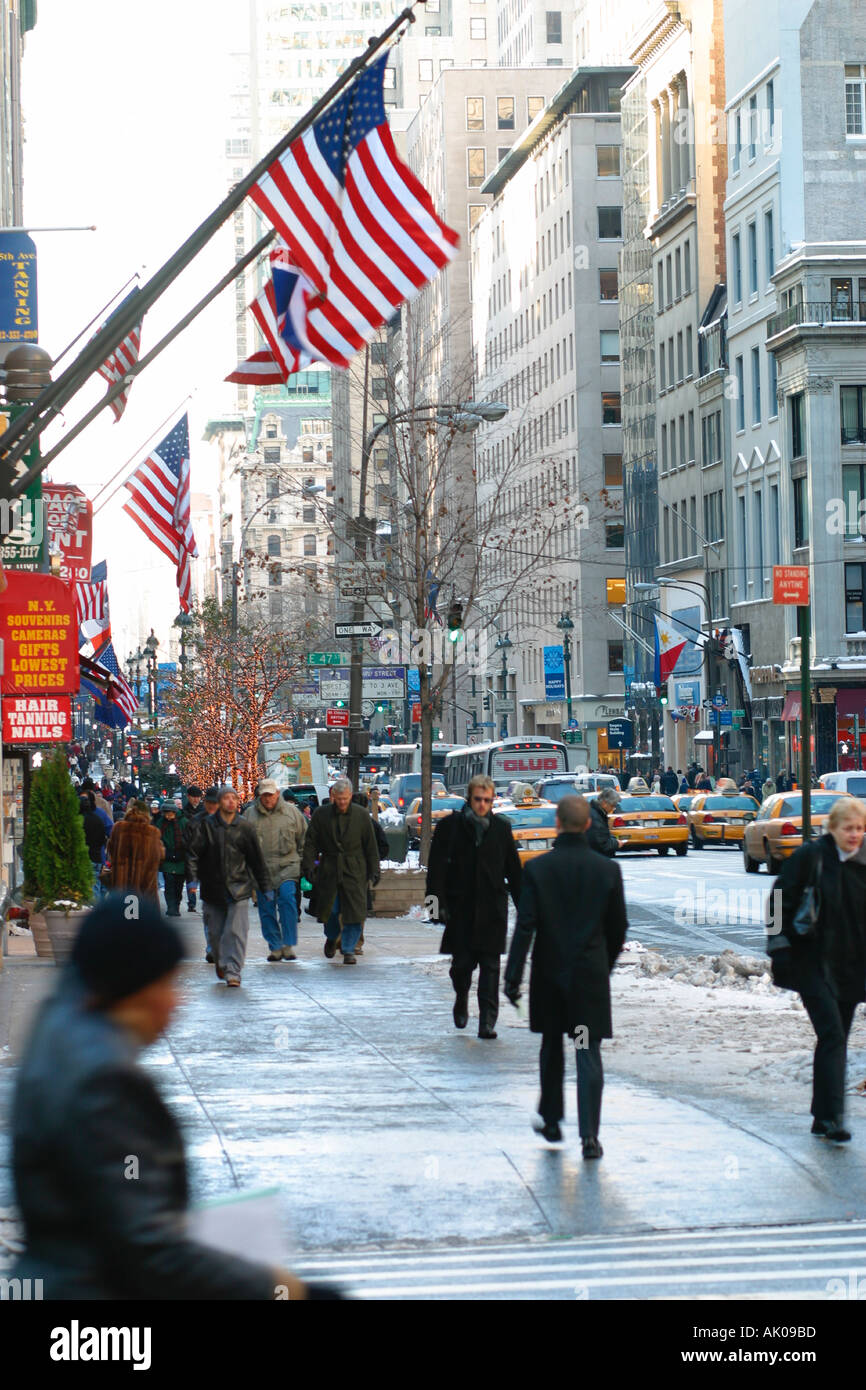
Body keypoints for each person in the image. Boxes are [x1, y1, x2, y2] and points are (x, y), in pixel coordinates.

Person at [9, 892, 339, 1300]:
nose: (175, 1002)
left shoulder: (59, 1027)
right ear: (135, 988)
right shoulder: (106, 1081)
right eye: (168, 983)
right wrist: (286, 1290)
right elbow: (150, 1251)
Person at [504, 795, 628, 1159]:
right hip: (589, 979)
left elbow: (525, 927)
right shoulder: (607, 871)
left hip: (549, 976)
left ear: (557, 824)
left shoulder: (539, 870)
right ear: (588, 824)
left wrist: (513, 977)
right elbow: (619, 926)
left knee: (552, 1048)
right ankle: (590, 1136)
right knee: (588, 1051)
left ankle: (553, 1118)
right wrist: (603, 964)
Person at [767, 798, 866, 1143]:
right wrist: (778, 946)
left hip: (852, 967)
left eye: (859, 829)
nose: (855, 836)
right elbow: (778, 899)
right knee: (833, 1035)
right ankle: (832, 1119)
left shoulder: (864, 862)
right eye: (848, 829)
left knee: (834, 1037)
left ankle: (822, 1115)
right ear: (832, 829)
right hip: (811, 963)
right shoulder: (811, 857)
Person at [426, 773, 522, 1039]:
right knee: (462, 967)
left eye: (487, 800)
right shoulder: (450, 827)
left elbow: (514, 873)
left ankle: (487, 1022)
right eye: (478, 799)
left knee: (491, 969)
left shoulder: (501, 828)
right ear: (470, 798)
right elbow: (435, 871)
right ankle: (460, 999)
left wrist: (526, 909)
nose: (482, 804)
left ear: (492, 801)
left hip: (492, 909)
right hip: (461, 909)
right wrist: (435, 906)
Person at [187, 786, 273, 988]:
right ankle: (220, 960)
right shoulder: (206, 825)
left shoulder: (245, 827)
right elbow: (193, 854)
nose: (231, 802)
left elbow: (256, 859)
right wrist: (192, 879)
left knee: (236, 932)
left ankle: (233, 970)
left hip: (239, 887)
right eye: (226, 798)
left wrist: (265, 885)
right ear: (219, 802)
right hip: (212, 887)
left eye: (234, 798)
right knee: (216, 933)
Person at [301, 777, 380, 966]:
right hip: (330, 867)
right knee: (332, 910)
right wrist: (309, 866)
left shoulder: (361, 816)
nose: (342, 802)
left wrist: (374, 869)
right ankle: (332, 936)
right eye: (339, 798)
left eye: (345, 798)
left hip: (355, 870)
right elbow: (311, 842)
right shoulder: (321, 814)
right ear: (333, 797)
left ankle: (348, 948)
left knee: (354, 912)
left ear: (350, 796)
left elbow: (370, 845)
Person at [243, 778, 307, 962]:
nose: (268, 799)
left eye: (271, 795)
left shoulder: (292, 813)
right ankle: (275, 946)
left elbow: (303, 839)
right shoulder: (250, 815)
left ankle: (288, 944)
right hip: (262, 871)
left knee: (288, 901)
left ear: (277, 794)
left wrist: (302, 863)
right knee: (266, 908)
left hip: (287, 866)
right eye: (264, 796)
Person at [105, 799, 164, 899]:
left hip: (121, 882)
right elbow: (160, 856)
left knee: (121, 909)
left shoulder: (118, 828)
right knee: (143, 911)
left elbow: (110, 849)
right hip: (145, 883)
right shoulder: (153, 832)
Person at [155, 800, 190, 918]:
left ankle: (176, 905)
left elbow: (190, 839)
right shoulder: (161, 823)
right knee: (169, 883)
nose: (168, 816)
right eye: (166, 813)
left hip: (181, 858)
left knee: (178, 885)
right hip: (167, 857)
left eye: (170, 813)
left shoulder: (184, 822)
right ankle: (171, 907)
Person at [79, 794, 109, 901]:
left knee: (89, 891)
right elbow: (103, 839)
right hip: (98, 857)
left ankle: (94, 913)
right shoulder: (98, 819)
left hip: (84, 858)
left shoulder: (79, 821)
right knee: (96, 887)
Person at [182, 784, 207, 912]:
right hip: (191, 846)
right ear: (188, 797)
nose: (196, 800)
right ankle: (192, 902)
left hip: (204, 847)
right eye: (193, 797)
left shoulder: (205, 811)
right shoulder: (184, 811)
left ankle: (206, 900)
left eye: (198, 797)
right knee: (191, 876)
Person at [586, 787, 619, 857]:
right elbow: (601, 844)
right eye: (612, 806)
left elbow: (603, 835)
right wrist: (616, 843)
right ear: (604, 803)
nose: (613, 809)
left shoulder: (597, 814)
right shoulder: (595, 817)